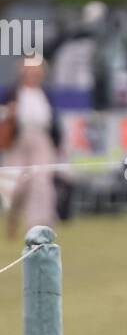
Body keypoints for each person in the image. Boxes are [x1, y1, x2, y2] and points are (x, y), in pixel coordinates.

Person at [1, 59, 62, 239]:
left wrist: (57, 144)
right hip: (18, 141)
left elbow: (54, 122)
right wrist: (9, 112)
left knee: (41, 182)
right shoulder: (12, 92)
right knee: (16, 185)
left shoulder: (46, 93)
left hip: (41, 140)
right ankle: (13, 218)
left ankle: (38, 226)